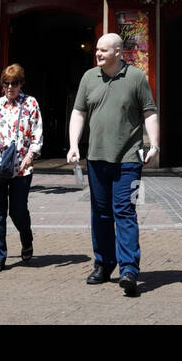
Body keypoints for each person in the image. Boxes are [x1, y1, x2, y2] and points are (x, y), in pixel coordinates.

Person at [67, 33, 158, 297]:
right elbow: (78, 113)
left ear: (118, 52)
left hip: (129, 160)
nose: (98, 54)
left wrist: (154, 145)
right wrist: (74, 145)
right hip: (96, 159)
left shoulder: (136, 78)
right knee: (101, 213)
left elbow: (149, 112)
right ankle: (104, 264)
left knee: (125, 212)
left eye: (103, 50)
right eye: (97, 50)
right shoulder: (88, 78)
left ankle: (129, 269)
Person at [0, 63, 43, 272]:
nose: (10, 87)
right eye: (6, 83)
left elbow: (37, 133)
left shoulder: (30, 104)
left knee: (18, 210)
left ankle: (26, 238)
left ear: (21, 84)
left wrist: (30, 156)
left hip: (21, 167)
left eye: (14, 83)